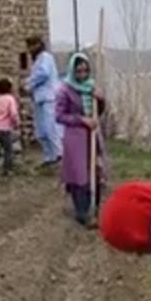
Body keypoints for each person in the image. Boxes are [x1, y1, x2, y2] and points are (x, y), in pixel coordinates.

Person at [56, 53, 108, 226]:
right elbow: (59, 116)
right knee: (80, 175)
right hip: (76, 138)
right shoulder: (64, 90)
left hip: (92, 136)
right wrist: (81, 120)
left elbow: (97, 112)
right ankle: (82, 212)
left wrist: (101, 100)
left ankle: (95, 208)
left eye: (86, 71)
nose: (82, 75)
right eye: (79, 71)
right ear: (73, 71)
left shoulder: (91, 87)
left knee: (96, 171)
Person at [24, 36, 63, 165]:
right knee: (40, 131)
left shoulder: (45, 57)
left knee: (49, 127)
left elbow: (43, 73)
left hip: (48, 97)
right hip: (39, 98)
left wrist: (29, 83)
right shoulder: (37, 61)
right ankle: (48, 157)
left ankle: (58, 153)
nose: (29, 49)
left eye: (31, 46)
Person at [0, 78, 20, 176]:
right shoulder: (10, 99)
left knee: (5, 148)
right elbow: (13, 114)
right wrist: (16, 124)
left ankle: (6, 166)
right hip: (5, 128)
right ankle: (7, 169)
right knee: (9, 150)